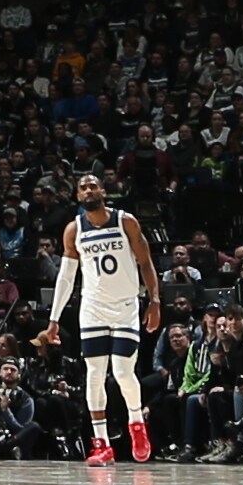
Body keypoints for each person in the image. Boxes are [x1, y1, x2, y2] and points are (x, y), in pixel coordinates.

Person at [44, 173, 159, 463]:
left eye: (93, 185)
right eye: (82, 187)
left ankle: (136, 423)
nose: (88, 190)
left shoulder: (126, 221)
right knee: (94, 376)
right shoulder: (74, 230)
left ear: (104, 191)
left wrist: (155, 300)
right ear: (77, 196)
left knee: (122, 372)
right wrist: (54, 317)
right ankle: (101, 443)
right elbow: (66, 277)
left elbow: (146, 262)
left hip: (125, 306)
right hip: (93, 307)